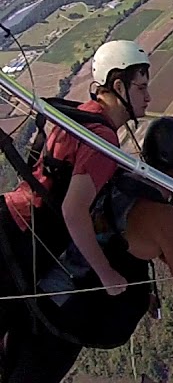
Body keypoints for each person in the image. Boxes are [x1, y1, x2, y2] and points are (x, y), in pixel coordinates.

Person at [2, 116, 173, 383]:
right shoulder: (165, 219)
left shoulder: (116, 177)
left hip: (40, 292)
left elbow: (120, 238)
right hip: (64, 318)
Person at [0, 40, 151, 366]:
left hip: (12, 223)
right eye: (141, 87)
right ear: (119, 85)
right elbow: (73, 210)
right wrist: (106, 273)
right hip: (18, 238)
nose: (148, 97)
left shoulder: (79, 115)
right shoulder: (103, 139)